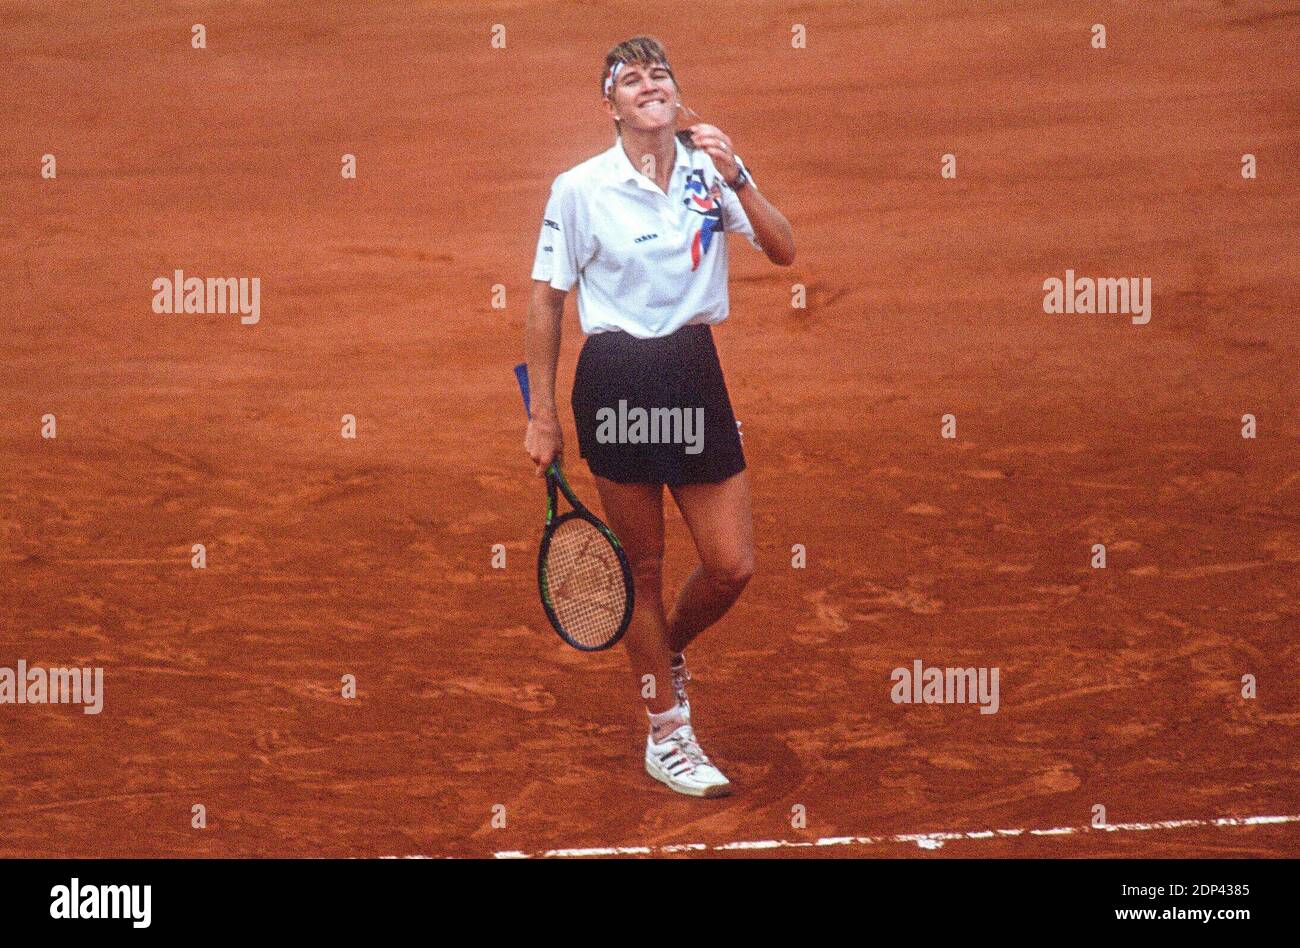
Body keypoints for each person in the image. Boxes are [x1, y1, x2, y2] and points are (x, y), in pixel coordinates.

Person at [524, 36, 795, 797]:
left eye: (660, 74)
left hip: (694, 375)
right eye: (630, 78)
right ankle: (668, 733)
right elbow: (547, 299)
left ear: (676, 94)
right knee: (642, 570)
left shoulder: (711, 172)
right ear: (608, 105)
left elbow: (783, 249)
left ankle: (663, 652)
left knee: (731, 564)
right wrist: (541, 415)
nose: (649, 85)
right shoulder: (579, 189)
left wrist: (741, 175)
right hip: (617, 381)